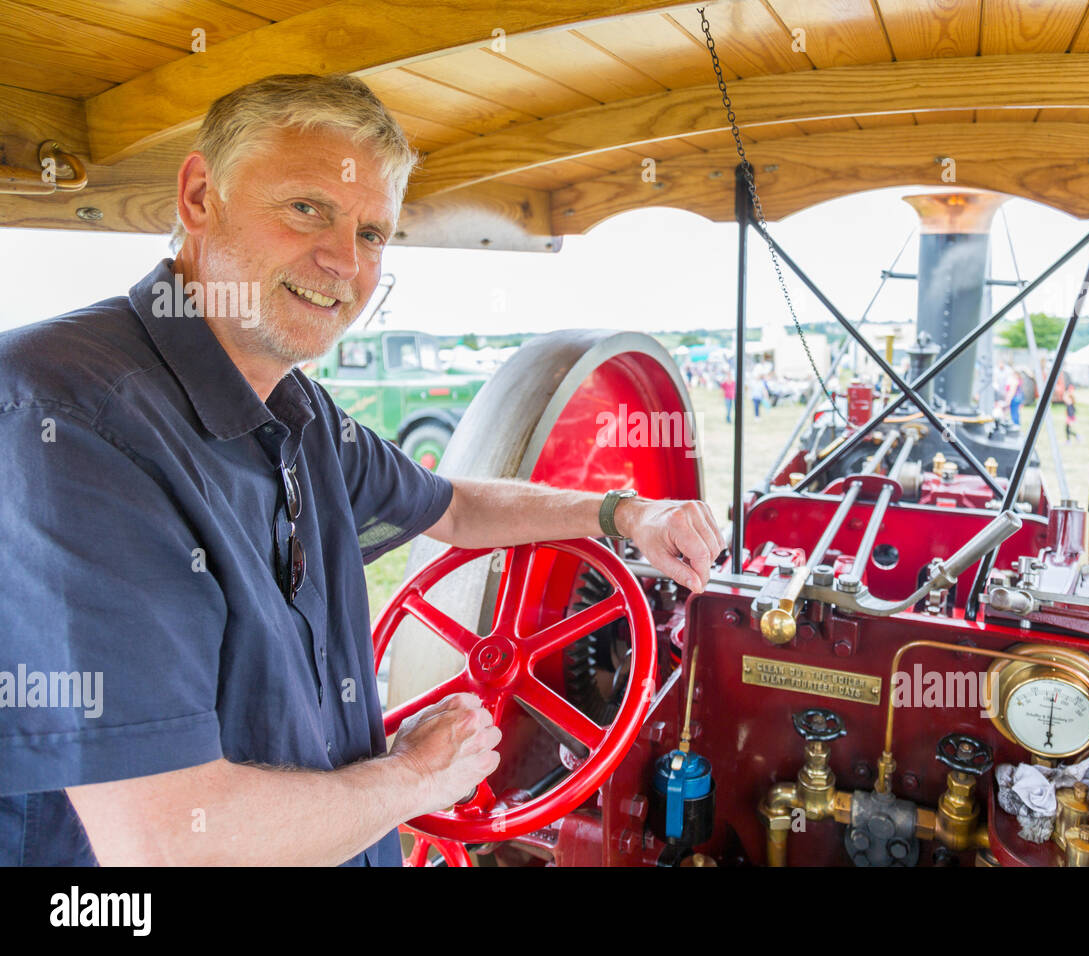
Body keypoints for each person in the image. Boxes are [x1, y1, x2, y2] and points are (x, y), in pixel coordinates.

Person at [0, 74, 726, 866]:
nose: (343, 261)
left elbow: (454, 509)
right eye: (306, 208)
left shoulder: (300, 417)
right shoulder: (66, 415)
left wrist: (625, 514)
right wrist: (416, 776)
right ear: (200, 195)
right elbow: (173, 842)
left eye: (374, 232)